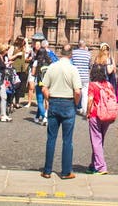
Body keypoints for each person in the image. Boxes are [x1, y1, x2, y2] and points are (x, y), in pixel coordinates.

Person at [40, 42, 82, 180]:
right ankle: (65, 172)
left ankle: (47, 171)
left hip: (54, 103)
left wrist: (49, 99)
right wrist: (75, 103)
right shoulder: (73, 69)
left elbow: (44, 88)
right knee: (67, 140)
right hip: (68, 103)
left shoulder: (52, 67)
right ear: (71, 55)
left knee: (51, 138)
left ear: (60, 53)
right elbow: (77, 91)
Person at [85, 63, 116, 175]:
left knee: (96, 140)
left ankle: (101, 167)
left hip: (95, 114)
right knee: (99, 140)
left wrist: (87, 112)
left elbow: (90, 100)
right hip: (107, 115)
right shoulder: (109, 85)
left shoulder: (92, 85)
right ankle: (93, 165)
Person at [71, 39, 91, 115]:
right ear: (84, 45)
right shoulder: (88, 54)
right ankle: (85, 110)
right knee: (85, 94)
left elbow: (71, 63)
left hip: (76, 76)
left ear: (78, 45)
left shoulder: (74, 53)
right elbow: (89, 65)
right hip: (85, 77)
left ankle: (73, 108)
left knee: (75, 93)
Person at [10, 36, 28, 108]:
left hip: (21, 69)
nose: (24, 42)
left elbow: (27, 51)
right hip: (14, 69)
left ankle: (17, 102)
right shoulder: (13, 47)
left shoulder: (23, 48)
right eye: (23, 41)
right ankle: (11, 102)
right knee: (13, 86)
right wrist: (17, 54)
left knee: (19, 87)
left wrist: (26, 43)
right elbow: (9, 57)